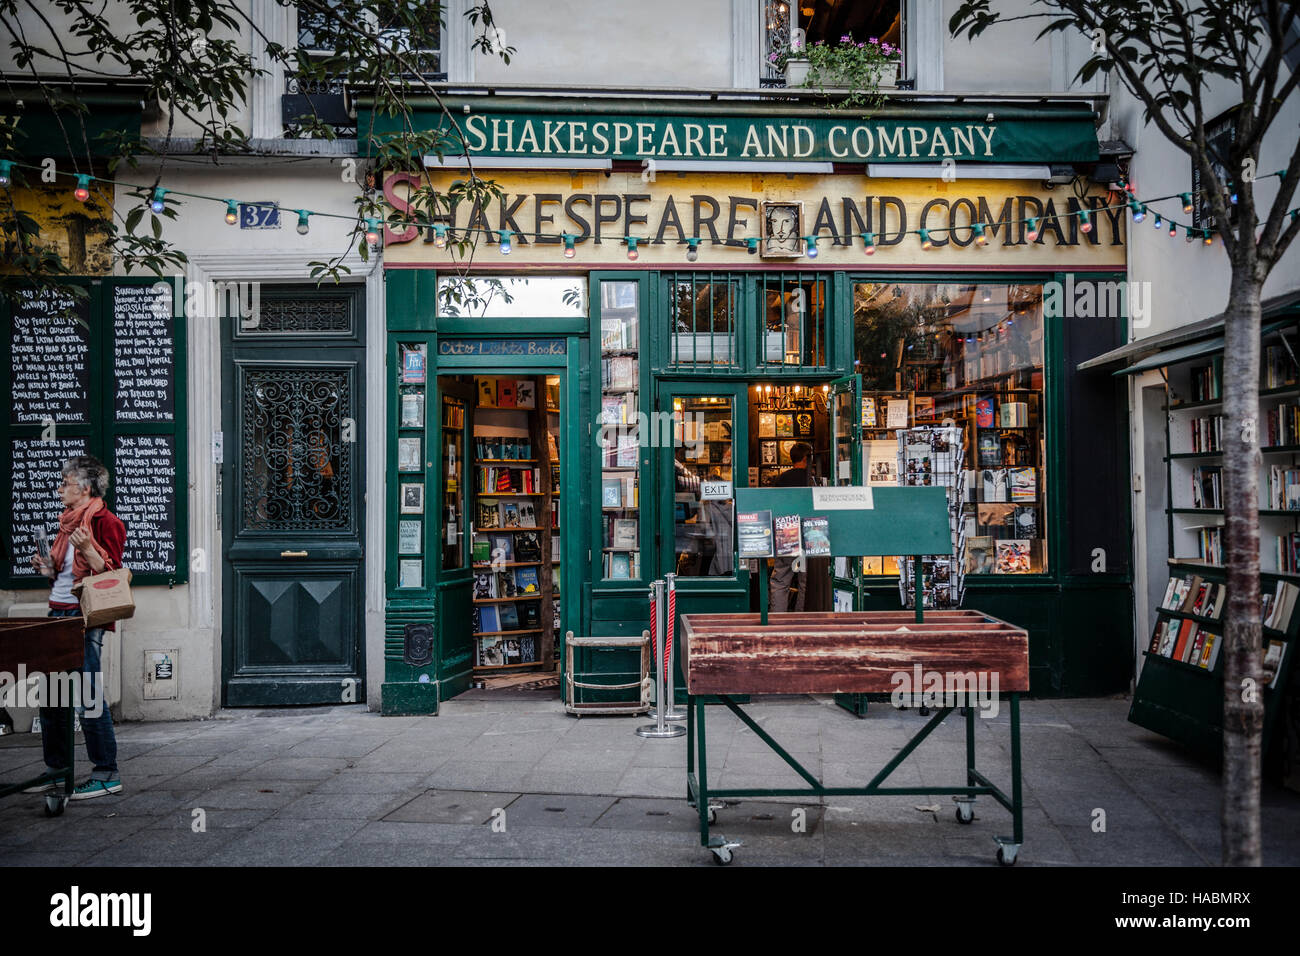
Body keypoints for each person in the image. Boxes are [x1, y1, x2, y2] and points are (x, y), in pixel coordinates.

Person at [27, 455, 126, 800]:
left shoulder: (105, 522)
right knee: (52, 696)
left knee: (87, 697)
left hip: (84, 619)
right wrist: (47, 568)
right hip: (57, 612)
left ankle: (106, 771)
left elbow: (110, 574)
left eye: (65, 483)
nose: (59, 490)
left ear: (84, 487)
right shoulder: (66, 523)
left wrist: (87, 548)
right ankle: (57, 770)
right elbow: (63, 577)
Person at [770, 442, 813, 612]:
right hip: (808, 532)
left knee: (781, 578)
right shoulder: (810, 479)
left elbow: (774, 506)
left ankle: (778, 618)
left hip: (787, 532)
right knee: (804, 581)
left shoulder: (782, 478)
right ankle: (801, 617)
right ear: (806, 459)